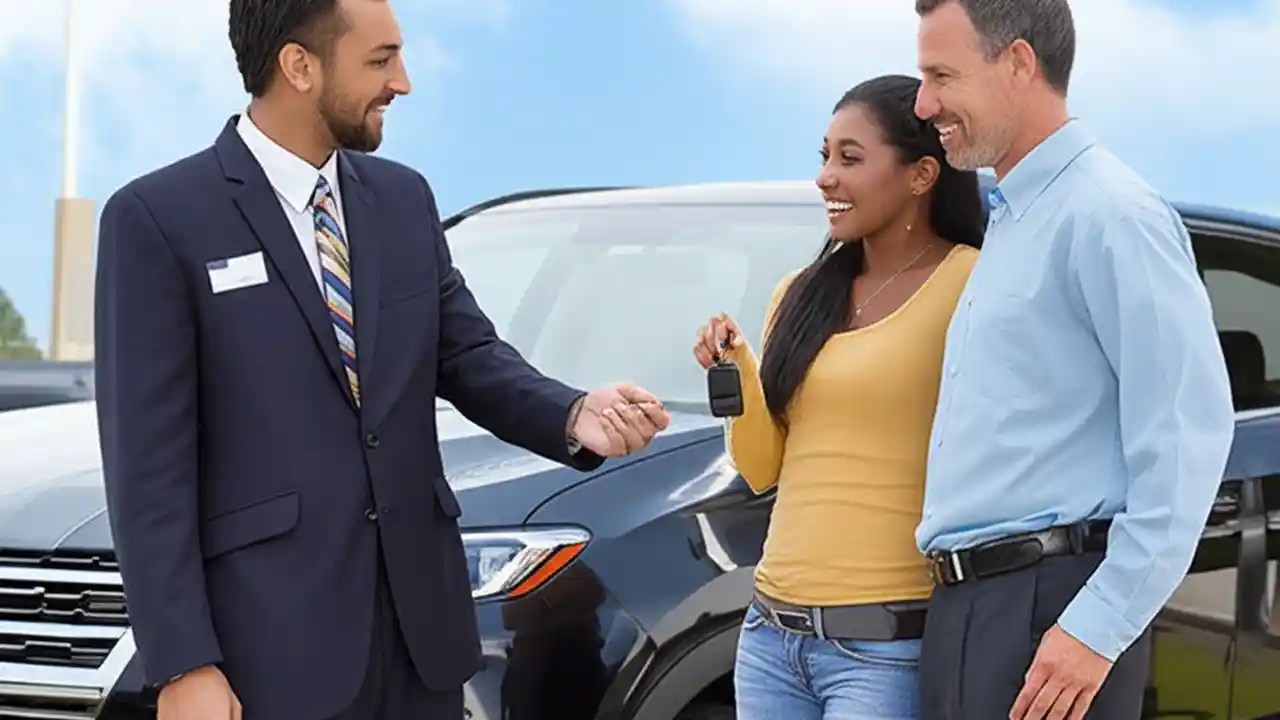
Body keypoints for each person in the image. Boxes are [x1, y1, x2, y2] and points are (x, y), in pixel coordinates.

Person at [92, 1, 669, 718]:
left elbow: (468, 353)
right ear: (298, 66)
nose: (404, 82)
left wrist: (577, 412)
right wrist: (183, 663)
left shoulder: (403, 201)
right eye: (380, 59)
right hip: (267, 653)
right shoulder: (157, 218)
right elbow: (148, 472)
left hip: (419, 646)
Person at [910, 1, 1236, 718]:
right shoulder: (1018, 219)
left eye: (941, 75)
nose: (923, 102)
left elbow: (1186, 438)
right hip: (973, 608)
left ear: (1019, 63)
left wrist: (1096, 627)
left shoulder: (1110, 215)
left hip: (1047, 612)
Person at [692, 74, 985, 720]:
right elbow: (765, 468)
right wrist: (739, 368)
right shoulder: (799, 293)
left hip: (884, 651)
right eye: (823, 156)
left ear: (921, 175)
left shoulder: (971, 280)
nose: (826, 176)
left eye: (849, 158)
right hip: (771, 639)